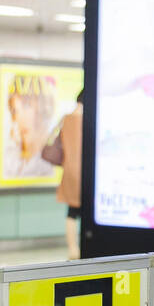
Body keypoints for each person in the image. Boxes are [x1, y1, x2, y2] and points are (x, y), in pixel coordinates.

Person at [54, 90, 83, 258]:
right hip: (85, 173)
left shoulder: (66, 119)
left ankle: (73, 249)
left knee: (72, 212)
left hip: (69, 170)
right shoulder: (87, 120)